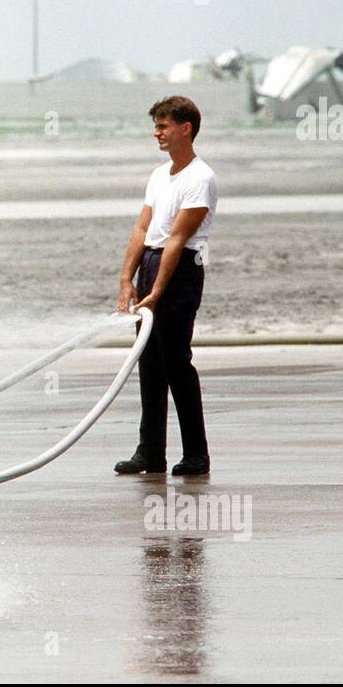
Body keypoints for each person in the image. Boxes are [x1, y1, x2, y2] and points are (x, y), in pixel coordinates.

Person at [114, 96, 218, 476]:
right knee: (149, 362)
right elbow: (143, 228)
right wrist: (128, 279)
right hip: (152, 262)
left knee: (176, 362)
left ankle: (196, 455)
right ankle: (150, 452)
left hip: (182, 268)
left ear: (185, 128)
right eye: (156, 126)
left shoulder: (200, 178)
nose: (157, 133)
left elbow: (177, 239)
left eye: (163, 126)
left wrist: (159, 289)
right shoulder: (160, 175)